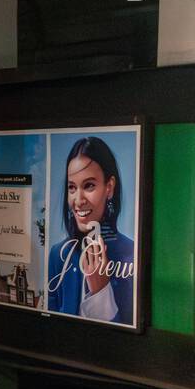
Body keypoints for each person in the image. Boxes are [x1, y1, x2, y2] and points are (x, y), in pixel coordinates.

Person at [46, 136, 135, 325]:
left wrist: (101, 291)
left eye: (89, 186)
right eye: (72, 187)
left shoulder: (132, 255)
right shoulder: (57, 255)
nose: (78, 200)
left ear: (109, 188)